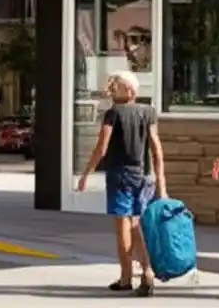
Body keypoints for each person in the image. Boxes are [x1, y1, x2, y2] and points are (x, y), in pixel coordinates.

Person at [77, 71, 166, 297]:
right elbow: (156, 148)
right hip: (143, 176)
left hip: (120, 176)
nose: (112, 89)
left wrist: (87, 173)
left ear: (130, 91)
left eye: (116, 86)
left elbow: (102, 147)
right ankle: (146, 269)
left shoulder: (113, 114)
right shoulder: (148, 112)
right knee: (136, 223)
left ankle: (127, 276)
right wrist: (161, 183)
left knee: (123, 227)